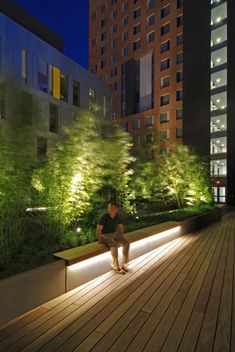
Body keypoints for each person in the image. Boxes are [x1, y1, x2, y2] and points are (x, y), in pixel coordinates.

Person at [97, 202, 130, 274]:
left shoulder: (118, 216)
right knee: (114, 245)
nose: (109, 209)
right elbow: (99, 230)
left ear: (116, 209)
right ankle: (115, 266)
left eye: (111, 208)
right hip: (105, 235)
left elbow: (120, 226)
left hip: (114, 234)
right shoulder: (104, 217)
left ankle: (124, 264)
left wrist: (121, 237)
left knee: (126, 243)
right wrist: (100, 242)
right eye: (109, 208)